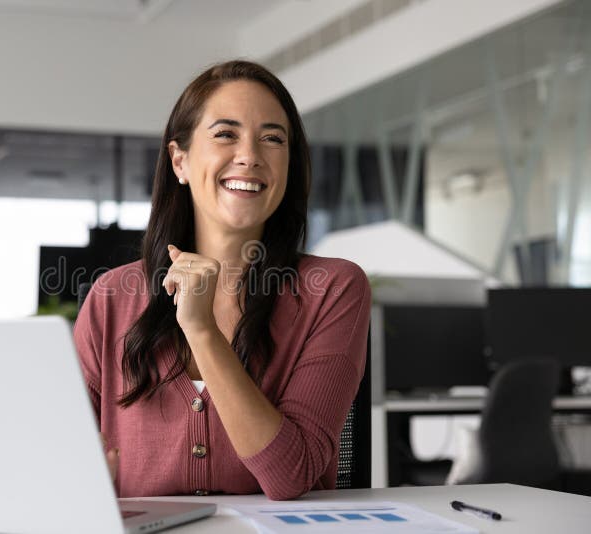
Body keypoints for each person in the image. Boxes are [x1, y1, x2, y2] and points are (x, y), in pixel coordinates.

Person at [73, 60, 371, 500]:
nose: (250, 155)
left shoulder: (334, 288)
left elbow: (291, 475)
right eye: (225, 134)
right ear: (180, 161)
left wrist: (202, 330)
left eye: (273, 138)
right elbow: (59, 458)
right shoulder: (112, 298)